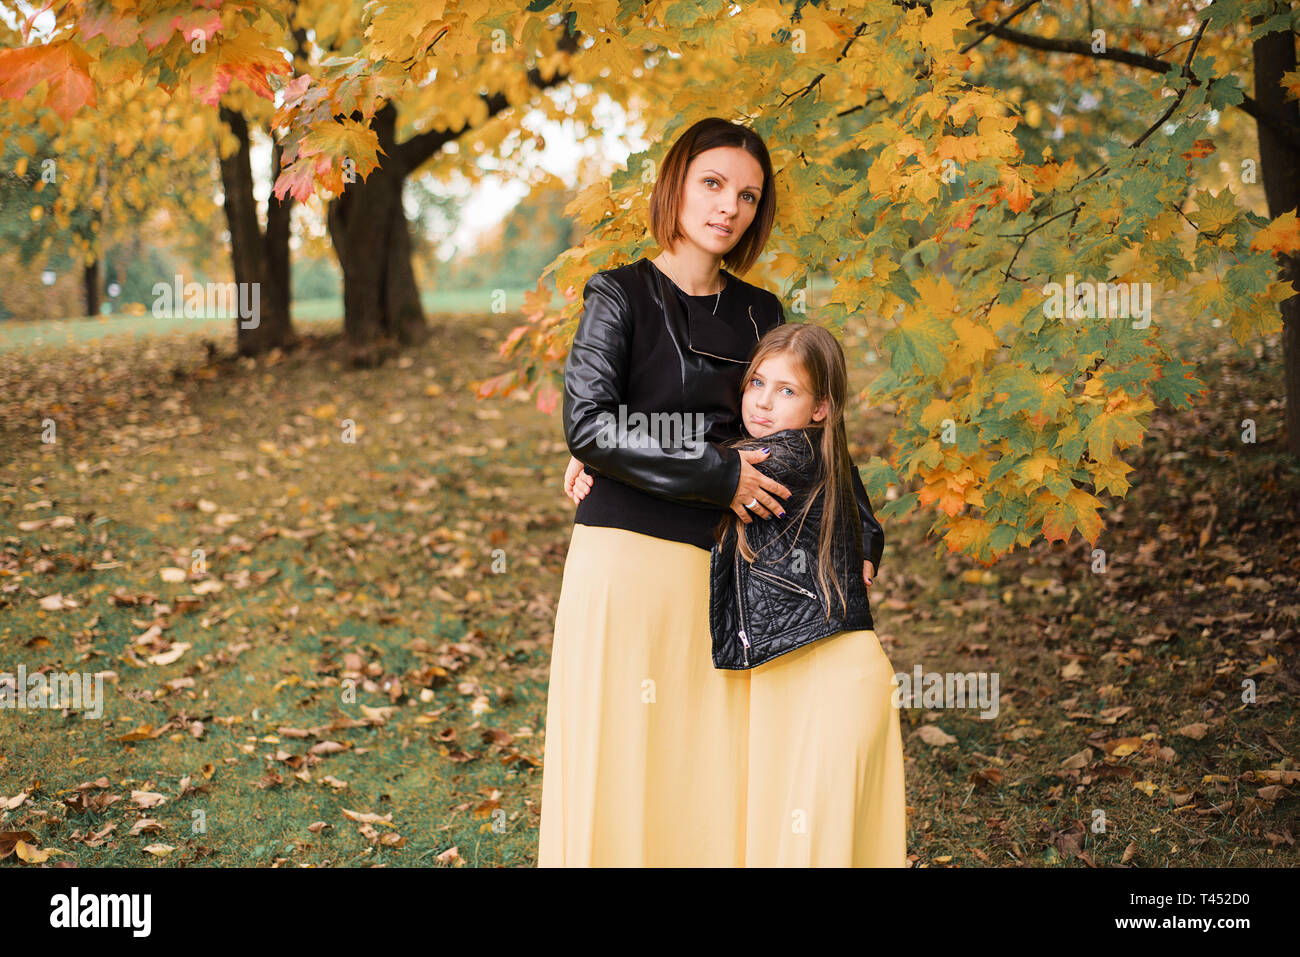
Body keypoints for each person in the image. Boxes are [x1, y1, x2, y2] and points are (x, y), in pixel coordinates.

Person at [540, 116, 894, 866]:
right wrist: (720, 472)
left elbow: (812, 427)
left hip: (726, 572)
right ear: (676, 184)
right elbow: (590, 425)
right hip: (626, 564)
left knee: (704, 776)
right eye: (712, 184)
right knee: (624, 763)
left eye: (746, 195)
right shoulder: (619, 294)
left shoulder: (763, 310)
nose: (727, 207)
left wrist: (861, 533)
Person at [707, 322, 906, 866]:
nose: (764, 403)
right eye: (756, 384)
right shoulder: (819, 457)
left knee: (812, 846)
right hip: (818, 669)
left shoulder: (778, 460)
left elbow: (688, 475)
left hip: (832, 679)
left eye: (786, 391)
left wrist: (602, 455)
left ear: (821, 408)